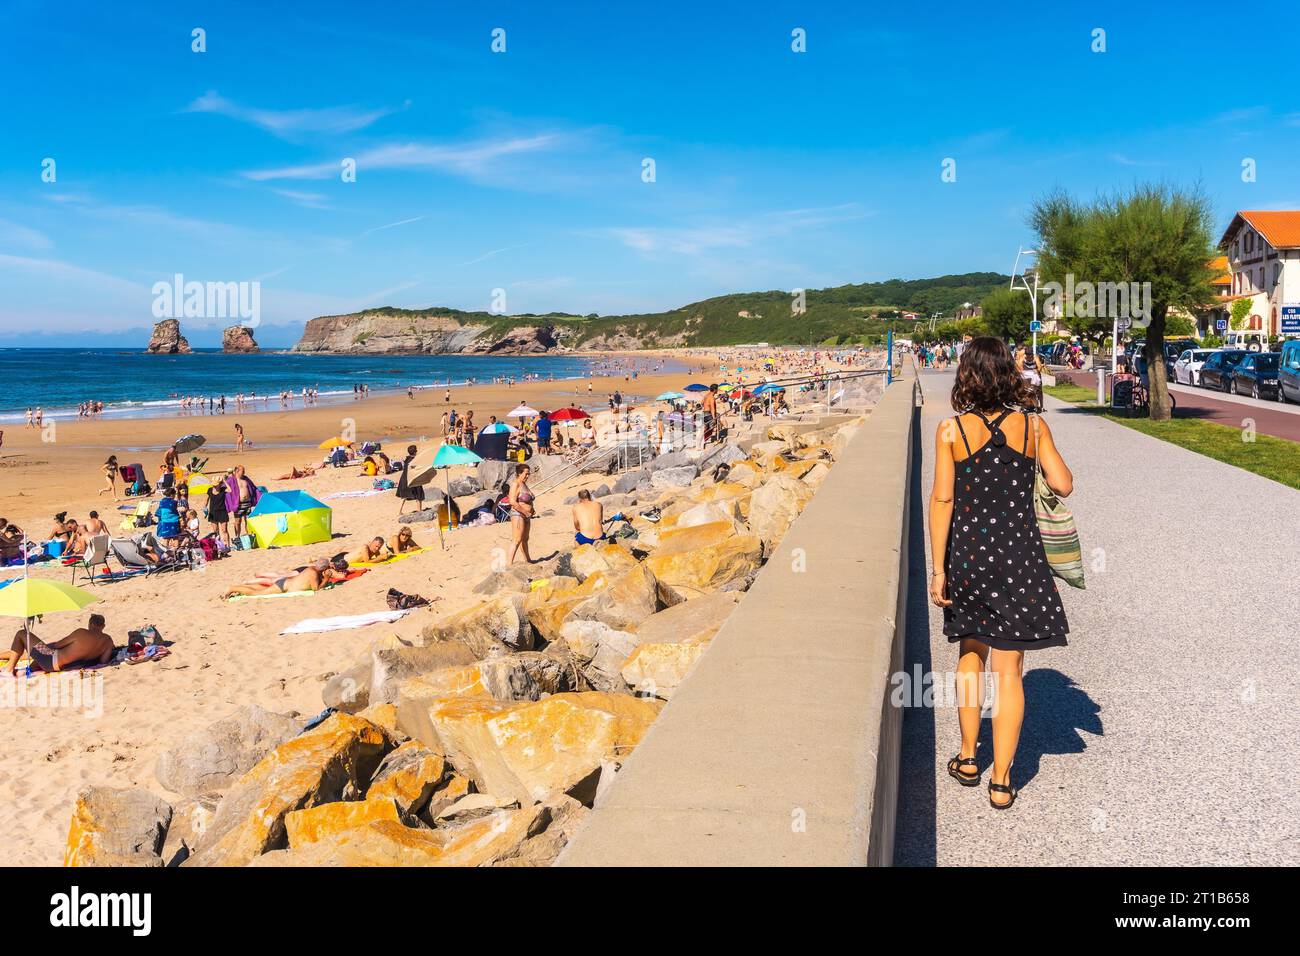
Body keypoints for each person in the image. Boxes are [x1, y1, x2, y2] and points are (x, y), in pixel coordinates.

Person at [928, 336, 1073, 811]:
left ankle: (968, 757)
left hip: (968, 557)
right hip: (1020, 558)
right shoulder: (1033, 428)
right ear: (1008, 373)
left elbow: (943, 500)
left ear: (966, 375)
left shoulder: (951, 431)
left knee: (971, 650)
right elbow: (1063, 484)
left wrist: (938, 569)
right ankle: (1003, 781)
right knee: (1009, 670)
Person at [13, 614, 115, 673]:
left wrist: (47, 646)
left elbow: (58, 645)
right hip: (66, 667)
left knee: (21, 633)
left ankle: (9, 670)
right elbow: (103, 661)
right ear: (103, 626)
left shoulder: (81, 632)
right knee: (44, 649)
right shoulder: (108, 641)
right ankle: (30, 668)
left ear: (90, 624)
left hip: (50, 661)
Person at [223, 557, 349, 598]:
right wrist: (326, 579)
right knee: (257, 593)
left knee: (261, 589)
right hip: (285, 586)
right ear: (325, 569)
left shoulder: (312, 569)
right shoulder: (313, 573)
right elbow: (316, 588)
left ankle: (241, 586)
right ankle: (233, 588)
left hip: (285, 583)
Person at [507, 463, 534, 564]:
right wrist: (525, 512)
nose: (527, 476)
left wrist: (531, 510)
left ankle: (528, 560)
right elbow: (512, 501)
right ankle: (509, 563)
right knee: (516, 539)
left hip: (526, 515)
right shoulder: (515, 484)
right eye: (526, 474)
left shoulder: (524, 484)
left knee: (525, 539)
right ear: (519, 473)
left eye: (528, 474)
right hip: (518, 514)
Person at [224, 465, 261, 539]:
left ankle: (249, 535)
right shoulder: (231, 480)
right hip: (238, 504)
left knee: (248, 521)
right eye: (242, 471)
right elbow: (224, 488)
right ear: (237, 471)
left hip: (247, 503)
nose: (244, 472)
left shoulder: (246, 479)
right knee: (238, 521)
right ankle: (237, 536)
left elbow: (253, 488)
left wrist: (260, 496)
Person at [396, 445, 425, 516]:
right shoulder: (414, 460)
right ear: (415, 452)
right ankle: (419, 510)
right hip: (413, 479)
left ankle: (399, 511)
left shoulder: (407, 460)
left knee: (404, 496)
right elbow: (416, 469)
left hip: (404, 479)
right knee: (419, 494)